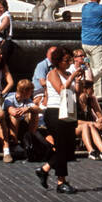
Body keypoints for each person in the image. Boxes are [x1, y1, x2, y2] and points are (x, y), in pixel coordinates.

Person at [37, 47, 80, 192]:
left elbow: (75, 91)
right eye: (66, 60)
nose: (69, 62)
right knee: (61, 146)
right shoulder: (52, 73)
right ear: (58, 61)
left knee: (69, 148)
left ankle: (45, 169)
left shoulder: (68, 73)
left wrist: (78, 80)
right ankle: (61, 182)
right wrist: (73, 76)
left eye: (70, 60)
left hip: (68, 111)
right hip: (55, 112)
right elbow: (61, 89)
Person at [0, 79, 40, 158]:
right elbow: (13, 112)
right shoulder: (9, 98)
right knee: (16, 115)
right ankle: (14, 143)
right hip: (7, 123)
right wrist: (23, 110)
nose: (32, 93)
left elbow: (38, 109)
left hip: (21, 123)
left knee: (34, 112)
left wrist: (28, 109)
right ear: (24, 91)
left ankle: (31, 139)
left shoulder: (26, 100)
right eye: (30, 91)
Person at [76, 80, 102, 159]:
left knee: (90, 126)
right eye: (91, 89)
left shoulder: (91, 99)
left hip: (90, 126)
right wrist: (93, 123)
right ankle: (91, 151)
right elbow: (75, 121)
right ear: (85, 90)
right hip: (75, 127)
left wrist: (99, 121)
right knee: (87, 126)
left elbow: (100, 116)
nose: (93, 91)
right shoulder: (75, 101)